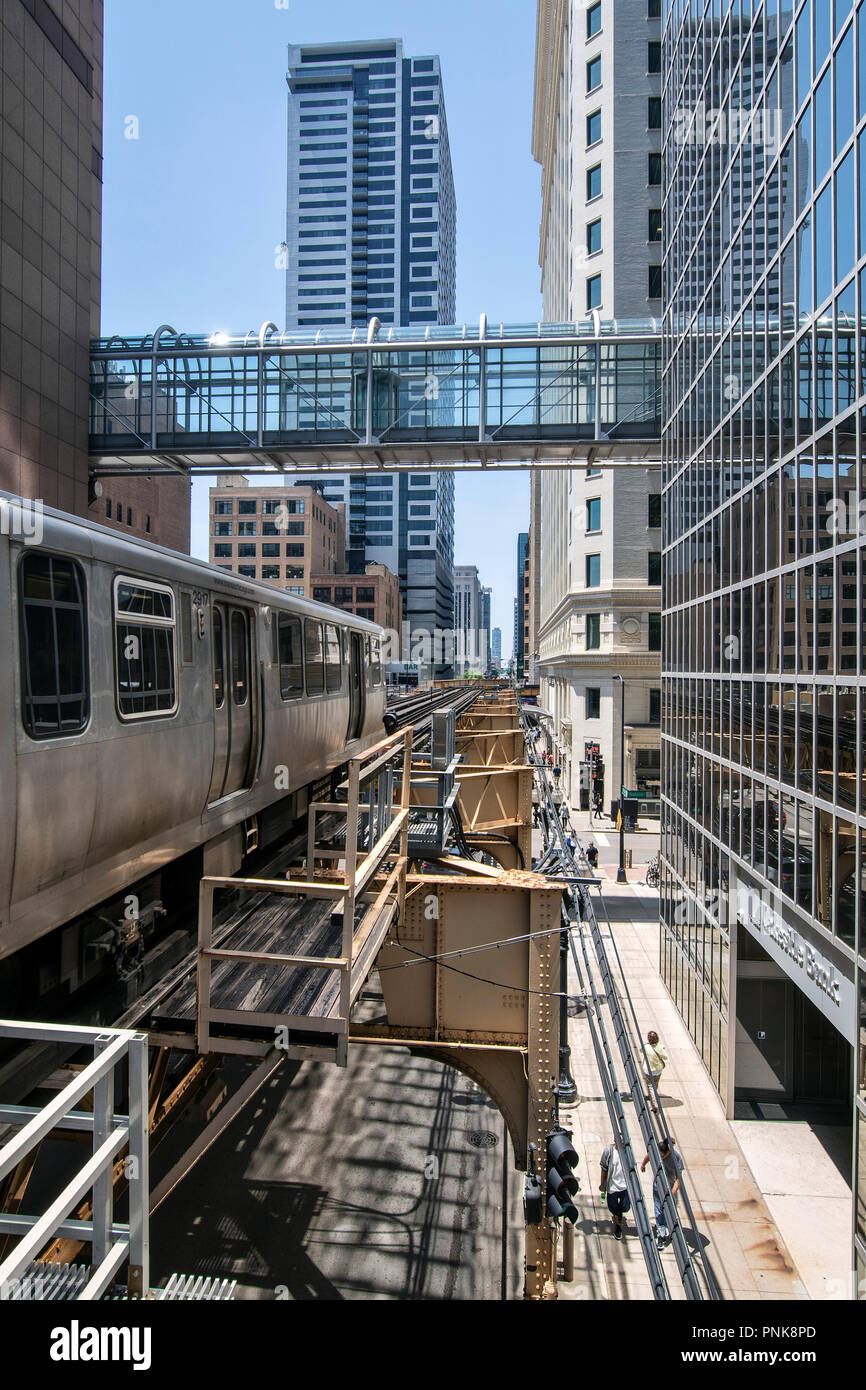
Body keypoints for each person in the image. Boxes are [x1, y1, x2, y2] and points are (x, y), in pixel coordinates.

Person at [640, 1137, 684, 1249]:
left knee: (669, 1210)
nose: (660, 1158)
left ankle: (670, 1229)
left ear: (668, 1152)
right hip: (657, 1186)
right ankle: (661, 1235)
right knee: (658, 1209)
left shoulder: (676, 1158)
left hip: (670, 1188)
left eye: (662, 1156)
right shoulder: (657, 1151)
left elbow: (678, 1179)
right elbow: (649, 1156)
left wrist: (672, 1192)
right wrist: (643, 1165)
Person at [599, 1137, 631, 1241]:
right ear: (615, 1141)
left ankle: (619, 1215)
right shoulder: (609, 1151)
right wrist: (602, 1184)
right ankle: (617, 1226)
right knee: (613, 1208)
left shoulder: (628, 1152)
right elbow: (604, 1168)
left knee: (626, 1207)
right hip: (612, 1186)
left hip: (625, 1186)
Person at [643, 1029, 668, 1113]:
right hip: (658, 1070)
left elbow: (641, 1050)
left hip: (648, 1070)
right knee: (655, 1085)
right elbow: (665, 1057)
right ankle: (654, 1096)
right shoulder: (660, 1047)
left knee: (650, 1087)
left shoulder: (646, 1047)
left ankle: (654, 1105)